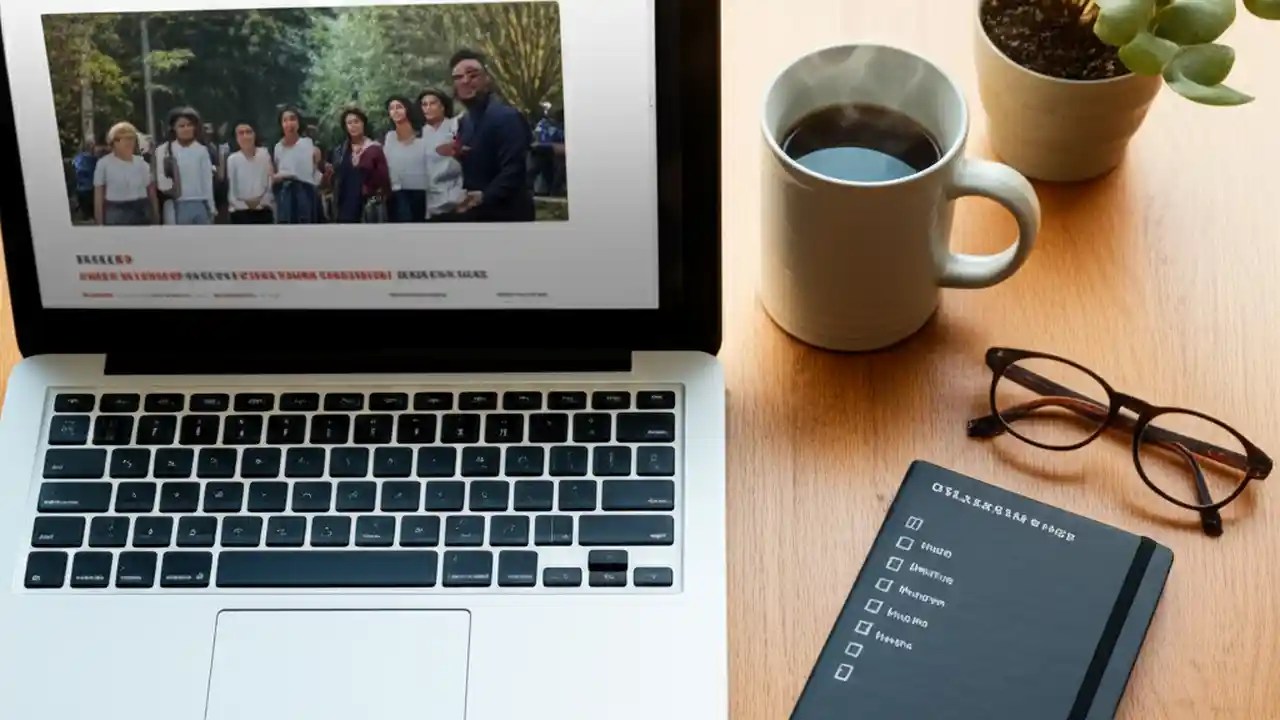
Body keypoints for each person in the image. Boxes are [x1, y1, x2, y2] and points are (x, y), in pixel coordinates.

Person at [448, 48, 535, 222]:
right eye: (458, 77)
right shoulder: (465, 122)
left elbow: (514, 169)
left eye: (472, 75)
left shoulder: (507, 117)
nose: (465, 81)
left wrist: (485, 196)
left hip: (508, 215)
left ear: (487, 79)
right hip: (476, 214)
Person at [153, 106, 215, 225]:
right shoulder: (163, 150)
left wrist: (211, 208)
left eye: (189, 125)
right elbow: (161, 180)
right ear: (173, 128)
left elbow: (207, 181)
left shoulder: (201, 150)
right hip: (175, 204)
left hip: (199, 203)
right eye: (181, 126)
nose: (186, 129)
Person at [329, 106, 390, 223]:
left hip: (367, 207)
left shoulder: (375, 149)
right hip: (344, 206)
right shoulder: (340, 151)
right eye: (349, 123)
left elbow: (384, 180)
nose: (353, 125)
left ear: (363, 123)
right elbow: (334, 179)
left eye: (356, 121)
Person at [93, 121, 157, 226]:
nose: (127, 142)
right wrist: (99, 223)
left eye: (130, 138)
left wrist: (156, 217)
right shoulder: (103, 164)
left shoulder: (142, 163)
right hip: (116, 211)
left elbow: (151, 192)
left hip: (141, 209)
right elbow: (98, 196)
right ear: (113, 143)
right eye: (121, 139)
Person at [418, 88, 467, 221]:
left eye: (432, 103)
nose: (428, 108)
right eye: (424, 104)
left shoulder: (457, 126)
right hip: (431, 200)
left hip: (458, 196)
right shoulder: (420, 134)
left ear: (443, 106)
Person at [271, 106, 324, 224]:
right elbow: (276, 171)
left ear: (299, 123)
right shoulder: (277, 147)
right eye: (285, 120)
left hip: (305, 193)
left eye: (292, 119)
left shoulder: (308, 144)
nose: (289, 123)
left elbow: (314, 172)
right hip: (285, 195)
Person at [383, 95, 428, 223]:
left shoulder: (423, 134)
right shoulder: (389, 137)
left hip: (420, 190)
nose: (395, 111)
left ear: (407, 109)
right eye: (391, 108)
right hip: (396, 191)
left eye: (399, 107)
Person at [226, 120, 275, 224]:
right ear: (236, 138)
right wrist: (245, 204)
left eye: (248, 132)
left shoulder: (264, 155)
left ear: (254, 134)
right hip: (239, 212)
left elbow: (269, 183)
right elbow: (232, 189)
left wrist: (259, 203)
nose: (245, 136)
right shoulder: (232, 159)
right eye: (241, 133)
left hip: (263, 210)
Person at [72, 139, 98, 222]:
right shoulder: (94, 160)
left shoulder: (77, 159)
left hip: (81, 189)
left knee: (86, 215)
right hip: (91, 189)